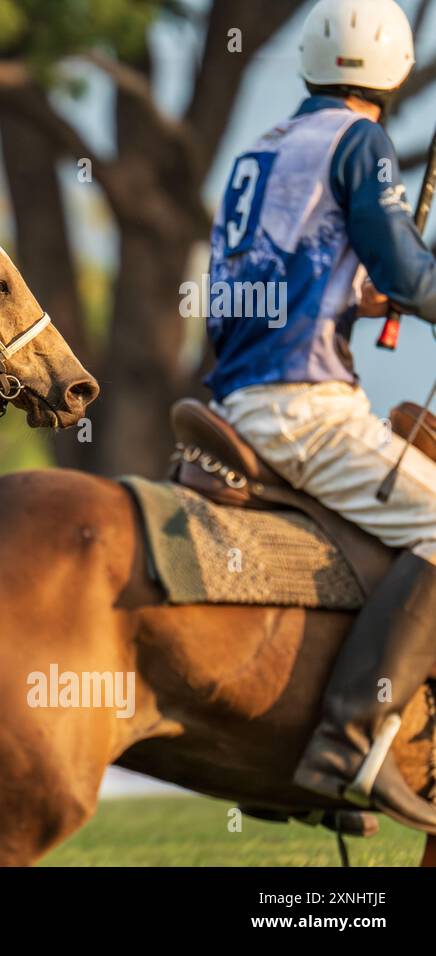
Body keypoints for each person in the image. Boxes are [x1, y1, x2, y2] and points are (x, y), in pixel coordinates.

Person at [205, 0, 436, 831]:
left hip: (232, 395)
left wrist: (349, 293)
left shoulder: (260, 150)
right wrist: (413, 287)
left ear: (307, 61)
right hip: (302, 404)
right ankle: (346, 743)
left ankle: (281, 749)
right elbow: (411, 274)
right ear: (397, 71)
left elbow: (284, 269)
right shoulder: (359, 142)